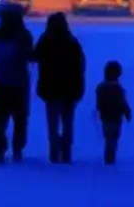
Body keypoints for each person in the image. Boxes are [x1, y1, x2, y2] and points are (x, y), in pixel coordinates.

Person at [33, 12, 85, 164]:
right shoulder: (71, 42)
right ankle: (66, 151)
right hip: (69, 88)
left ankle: (54, 151)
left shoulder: (45, 41)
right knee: (67, 121)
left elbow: (35, 56)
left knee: (53, 122)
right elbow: (80, 65)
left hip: (50, 88)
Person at [0, 6, 34, 163]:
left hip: (0, 80)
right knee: (20, 118)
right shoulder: (24, 36)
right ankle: (18, 147)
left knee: (1, 118)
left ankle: (0, 148)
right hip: (19, 81)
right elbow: (30, 54)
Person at [95, 60, 132, 165]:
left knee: (108, 136)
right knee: (114, 136)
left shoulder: (101, 88)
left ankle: (109, 156)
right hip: (116, 117)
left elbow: (99, 103)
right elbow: (123, 103)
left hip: (105, 116)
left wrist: (99, 109)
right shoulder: (119, 89)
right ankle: (111, 156)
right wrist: (127, 112)